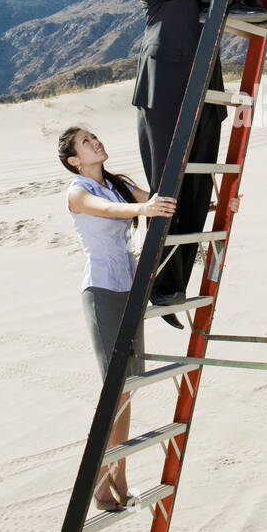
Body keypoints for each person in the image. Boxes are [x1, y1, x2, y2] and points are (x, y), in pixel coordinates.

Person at [132, 0, 267, 314]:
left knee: (200, 189)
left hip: (207, 88)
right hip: (164, 89)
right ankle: (158, 282)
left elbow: (247, 5)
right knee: (170, 189)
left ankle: (175, 284)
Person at [59, 125, 176, 510]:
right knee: (115, 389)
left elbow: (162, 203)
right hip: (102, 292)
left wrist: (221, 205)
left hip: (130, 290)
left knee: (128, 388)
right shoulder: (79, 192)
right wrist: (142, 209)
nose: (96, 142)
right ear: (74, 160)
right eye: (86, 143)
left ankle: (114, 479)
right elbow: (108, 211)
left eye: (94, 137)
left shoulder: (118, 184)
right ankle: (104, 480)